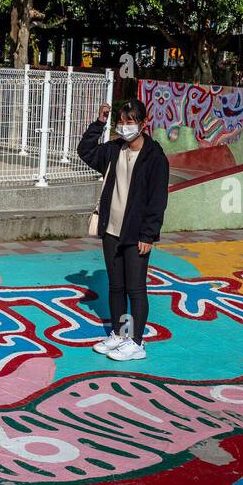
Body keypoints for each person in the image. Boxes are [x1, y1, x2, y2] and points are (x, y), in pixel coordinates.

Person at [77, 98, 169, 362]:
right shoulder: (114, 150)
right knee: (115, 286)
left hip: (136, 233)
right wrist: (100, 123)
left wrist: (148, 235)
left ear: (144, 123)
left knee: (136, 288)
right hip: (111, 230)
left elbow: (157, 199)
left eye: (131, 122)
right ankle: (118, 334)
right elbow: (85, 151)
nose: (125, 127)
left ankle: (136, 342)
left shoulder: (155, 157)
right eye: (122, 121)